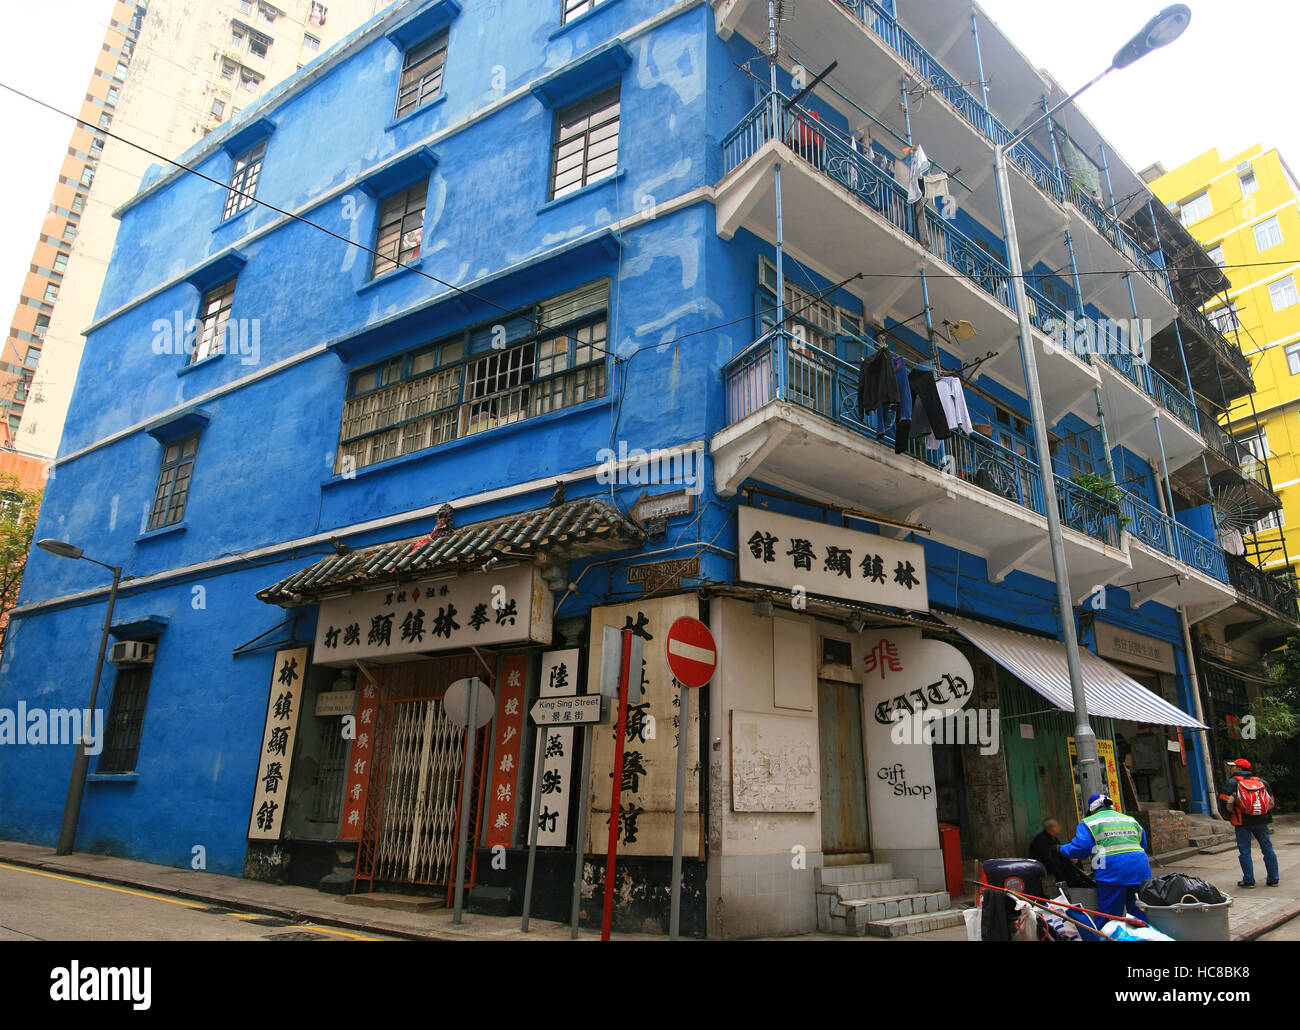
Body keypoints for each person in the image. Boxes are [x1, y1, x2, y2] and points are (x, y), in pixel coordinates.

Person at [1058, 793, 1151, 921]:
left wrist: (1061, 849)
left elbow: (1081, 848)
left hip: (1113, 873)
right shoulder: (1130, 820)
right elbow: (1143, 844)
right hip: (1141, 869)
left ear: (1091, 808)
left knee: (1109, 915)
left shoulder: (1089, 822)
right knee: (1140, 911)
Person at [1217, 758, 1279, 888]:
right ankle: (1274, 879)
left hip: (1242, 821)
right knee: (1267, 849)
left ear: (1239, 769)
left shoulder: (1232, 783)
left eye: (1234, 766)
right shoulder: (1261, 782)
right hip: (1261, 821)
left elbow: (1224, 802)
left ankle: (1249, 881)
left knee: (1245, 850)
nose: (1231, 768)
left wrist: (1228, 816)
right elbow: (1271, 801)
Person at [1029, 817, 1092, 888]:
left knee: (1076, 859)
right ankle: (1074, 885)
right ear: (1051, 828)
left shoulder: (1053, 838)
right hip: (1046, 865)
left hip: (1055, 862)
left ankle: (1082, 881)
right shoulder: (1041, 840)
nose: (1059, 828)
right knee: (1067, 865)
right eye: (1057, 826)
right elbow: (1048, 856)